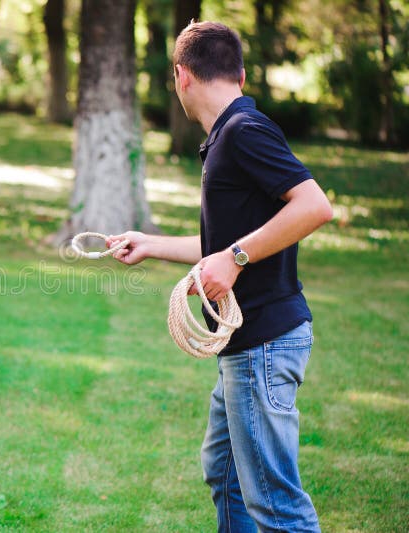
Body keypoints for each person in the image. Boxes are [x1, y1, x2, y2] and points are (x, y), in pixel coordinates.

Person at [106, 21, 333, 533]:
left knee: (275, 505)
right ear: (242, 74)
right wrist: (150, 244)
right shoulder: (227, 137)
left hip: (264, 344)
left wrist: (236, 258)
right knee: (225, 473)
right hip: (248, 347)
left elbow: (315, 207)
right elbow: (219, 245)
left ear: (181, 76)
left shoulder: (243, 132)